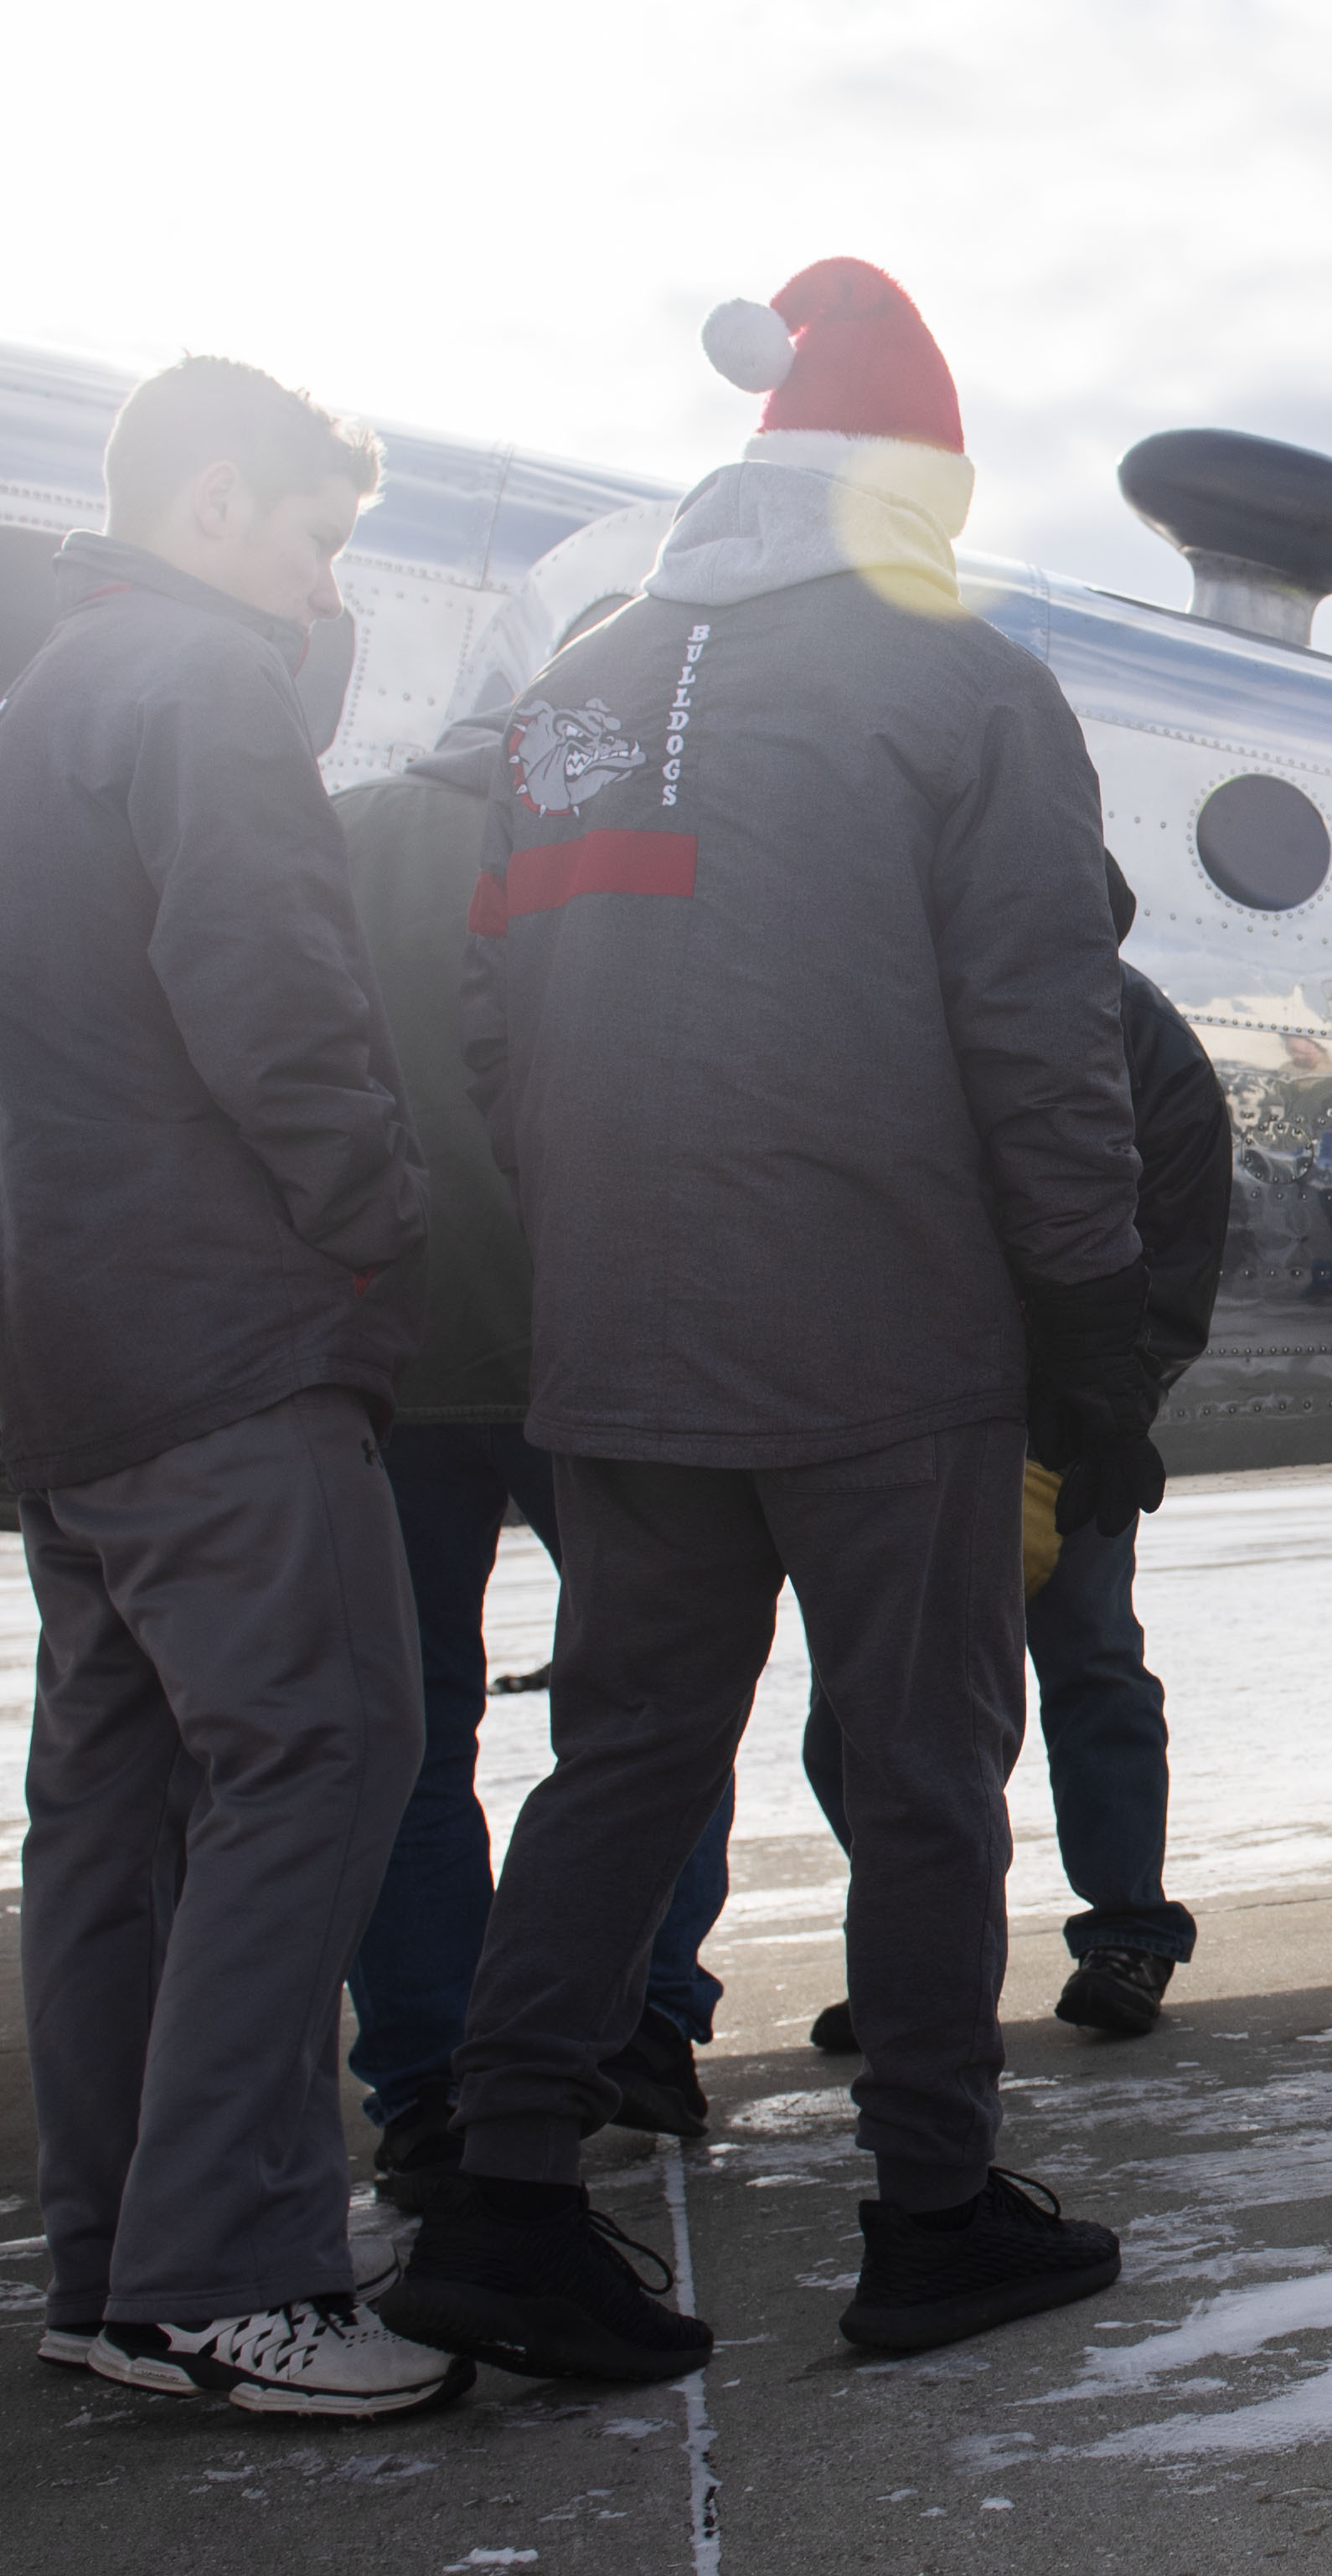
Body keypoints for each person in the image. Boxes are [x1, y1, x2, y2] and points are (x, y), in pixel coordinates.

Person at [380, 259, 1149, 2384]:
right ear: (916, 478)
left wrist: (610, 1225)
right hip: (887, 1331)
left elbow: (483, 1009)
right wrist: (1090, 1315)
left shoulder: (582, 688)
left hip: (618, 1330)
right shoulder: (956, 679)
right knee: (917, 1773)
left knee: (618, 1757)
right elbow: (1041, 1028)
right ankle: (931, 2207)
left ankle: (506, 2187)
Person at [1, 356, 468, 2418]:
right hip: (218, 1331)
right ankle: (233, 2267)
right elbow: (276, 991)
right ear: (211, 506)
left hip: (67, 1350)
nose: (317, 582)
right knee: (320, 1752)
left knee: (114, 1800)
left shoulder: (38, 704)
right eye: (312, 535)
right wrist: (379, 1212)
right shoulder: (201, 687)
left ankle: (114, 2262)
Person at [333, 710, 741, 2198]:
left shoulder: (337, 829)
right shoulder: (607, 826)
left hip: (386, 1347)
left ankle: (434, 2076)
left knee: (407, 1730)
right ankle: (634, 2022)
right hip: (597, 1344)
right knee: (656, 1706)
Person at [807, 854, 1231, 2047]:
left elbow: (1175, 1257)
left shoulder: (1148, 1052)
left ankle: (1128, 1932)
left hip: (1072, 1417)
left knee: (1088, 1662)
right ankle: (919, 1942)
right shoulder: (902, 1015)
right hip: (910, 1415)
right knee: (863, 1702)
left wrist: (1093, 1425)